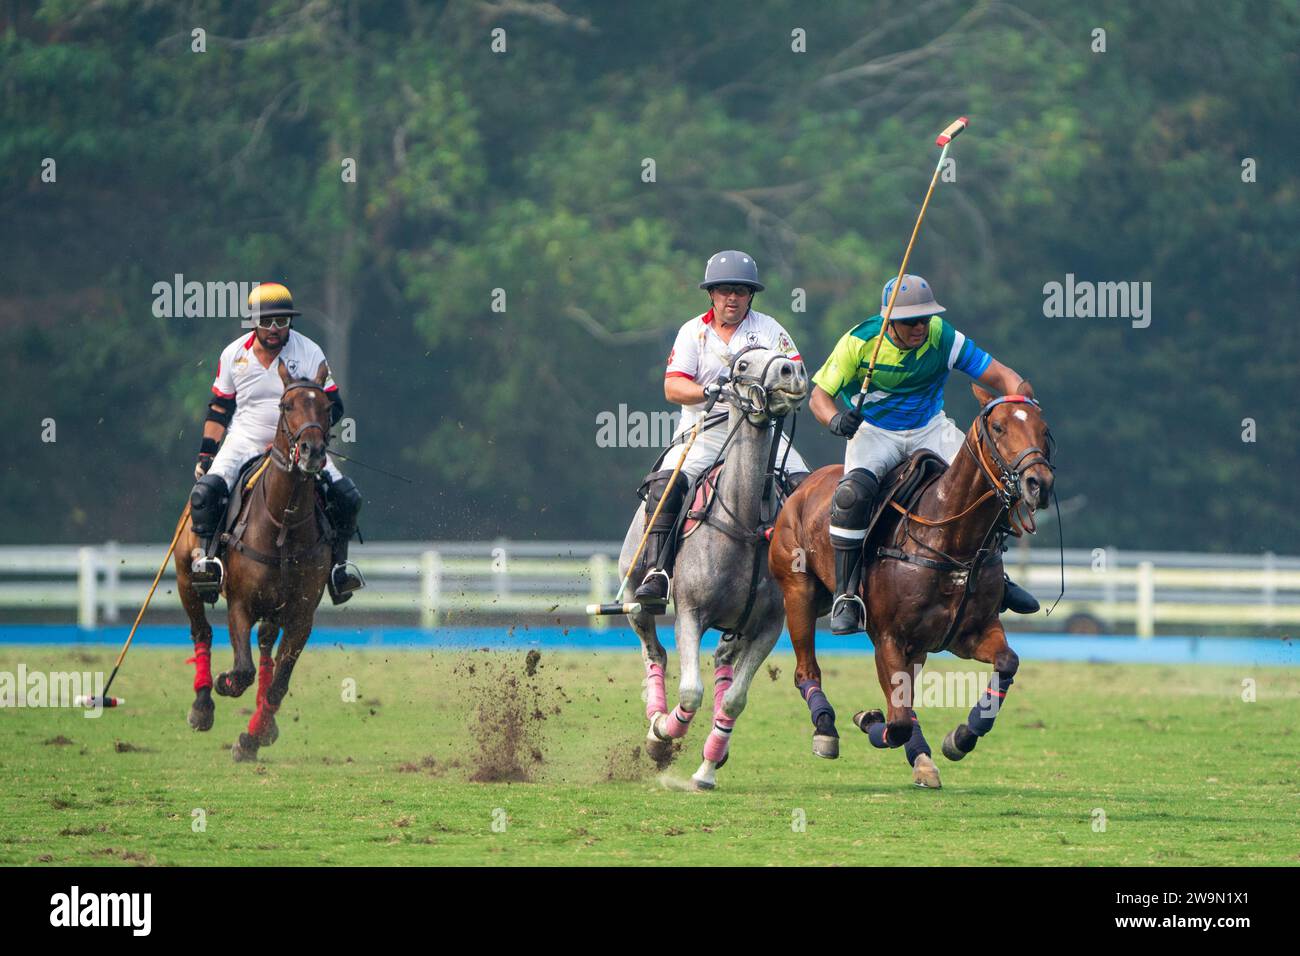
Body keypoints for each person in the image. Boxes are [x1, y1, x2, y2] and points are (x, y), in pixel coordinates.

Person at [808, 273, 1040, 634]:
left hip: (930, 427)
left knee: (988, 481)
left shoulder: (941, 336)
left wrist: (1020, 404)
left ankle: (998, 576)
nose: (919, 327)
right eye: (910, 321)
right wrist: (836, 420)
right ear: (889, 321)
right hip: (875, 431)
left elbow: (1000, 374)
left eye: (924, 318)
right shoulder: (859, 342)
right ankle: (847, 595)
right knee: (852, 495)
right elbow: (819, 397)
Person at [634, 250, 811, 603]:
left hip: (759, 429)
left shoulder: (768, 329)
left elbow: (797, 376)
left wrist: (784, 397)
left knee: (806, 487)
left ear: (751, 295)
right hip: (706, 429)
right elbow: (672, 387)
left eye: (741, 291)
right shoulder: (693, 332)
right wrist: (707, 391)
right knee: (666, 483)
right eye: (724, 290)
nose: (732, 298)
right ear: (711, 294)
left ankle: (812, 572)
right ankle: (658, 572)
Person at [188, 282, 365, 605]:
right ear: (253, 322)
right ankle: (208, 563)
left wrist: (304, 439)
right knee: (204, 494)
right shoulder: (233, 354)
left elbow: (334, 405)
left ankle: (338, 569)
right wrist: (206, 454)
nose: (274, 329)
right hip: (245, 439)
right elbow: (219, 408)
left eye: (281, 321)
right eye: (266, 321)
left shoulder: (309, 352)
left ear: (290, 322)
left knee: (347, 497)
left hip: (299, 446)